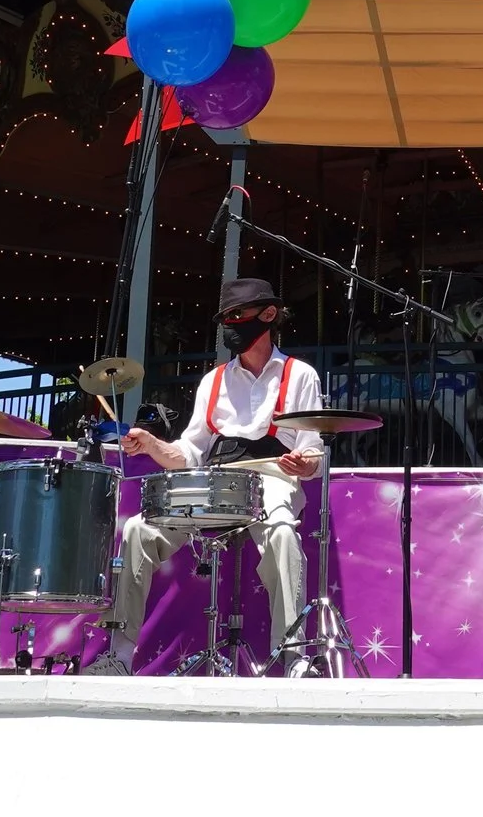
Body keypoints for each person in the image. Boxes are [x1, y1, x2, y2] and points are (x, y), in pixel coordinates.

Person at [86, 277, 322, 675]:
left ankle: (294, 656)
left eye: (236, 316)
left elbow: (313, 449)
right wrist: (151, 445)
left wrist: (306, 464)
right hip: (213, 482)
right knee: (138, 530)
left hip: (270, 478)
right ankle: (120, 656)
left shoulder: (300, 375)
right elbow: (188, 453)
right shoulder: (213, 381)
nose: (229, 326)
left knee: (282, 534)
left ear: (267, 315)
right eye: (225, 318)